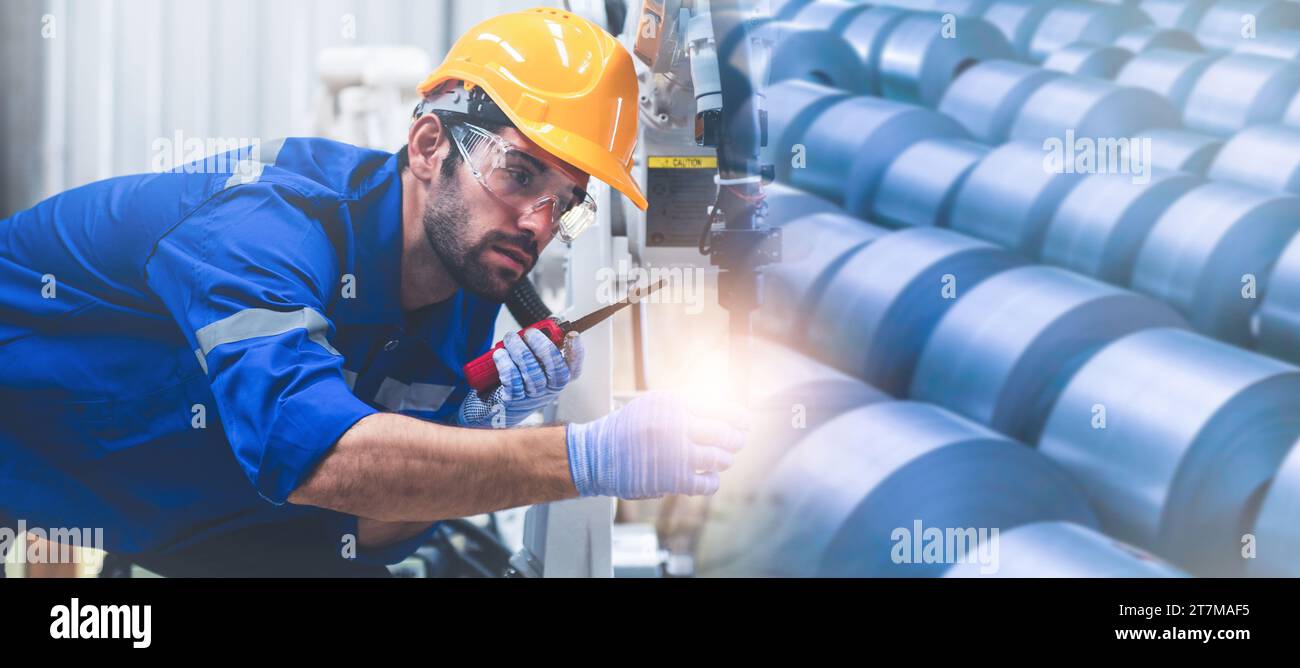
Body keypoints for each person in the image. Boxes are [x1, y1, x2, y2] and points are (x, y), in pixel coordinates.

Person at [0, 8, 744, 577]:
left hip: (158, 506)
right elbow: (316, 455)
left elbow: (362, 527)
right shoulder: (264, 227)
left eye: (566, 202)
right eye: (519, 175)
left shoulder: (466, 284)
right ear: (427, 147)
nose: (537, 222)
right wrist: (580, 458)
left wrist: (473, 439)